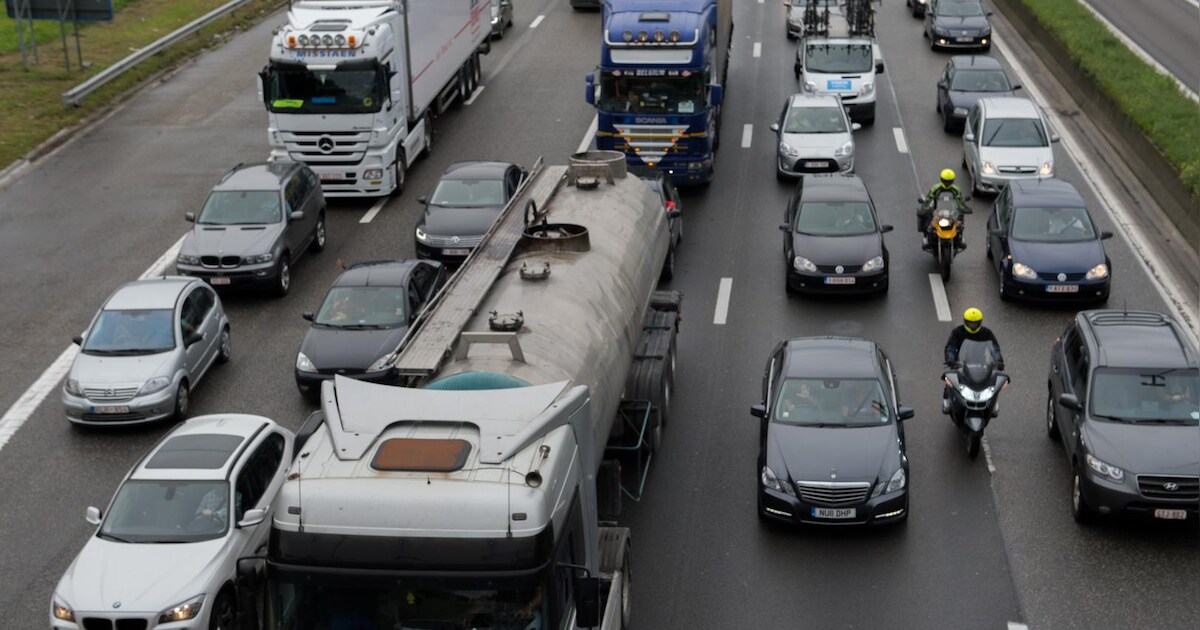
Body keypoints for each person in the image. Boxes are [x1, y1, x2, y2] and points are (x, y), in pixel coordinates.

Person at [943, 308, 1005, 413]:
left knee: (989, 384)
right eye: (970, 323)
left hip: (982, 363)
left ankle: (991, 403)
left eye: (975, 323)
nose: (972, 325)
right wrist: (950, 359)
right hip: (960, 363)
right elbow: (951, 347)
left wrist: (998, 361)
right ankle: (947, 399)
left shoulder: (986, 333)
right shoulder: (958, 332)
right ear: (965, 322)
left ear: (979, 322)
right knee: (950, 381)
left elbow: (994, 349)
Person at [918, 168, 967, 251]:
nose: (947, 183)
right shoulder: (935, 188)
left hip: (951, 213)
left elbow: (959, 200)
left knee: (960, 225)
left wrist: (964, 208)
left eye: (949, 181)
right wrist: (924, 208)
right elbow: (928, 199)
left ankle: (959, 240)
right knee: (929, 226)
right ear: (941, 179)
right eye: (945, 181)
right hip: (937, 211)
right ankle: (927, 241)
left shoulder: (956, 189)